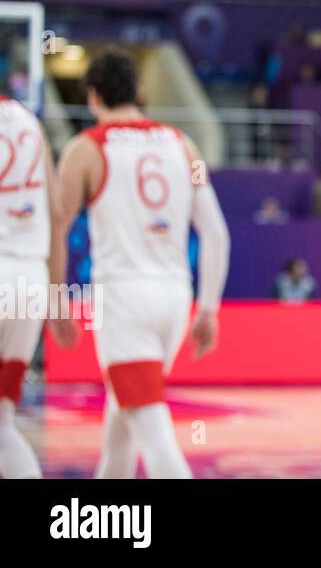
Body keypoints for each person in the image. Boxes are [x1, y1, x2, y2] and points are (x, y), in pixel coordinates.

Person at [54, 51, 230, 478]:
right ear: (140, 91)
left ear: (92, 97)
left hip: (124, 301)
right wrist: (208, 310)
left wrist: (56, 303)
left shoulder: (85, 149)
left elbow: (55, 228)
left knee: (151, 432)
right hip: (174, 299)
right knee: (121, 431)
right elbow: (216, 235)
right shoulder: (184, 145)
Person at [0, 93, 76, 477]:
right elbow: (59, 214)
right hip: (29, 279)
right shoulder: (29, 122)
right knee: (2, 425)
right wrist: (57, 299)